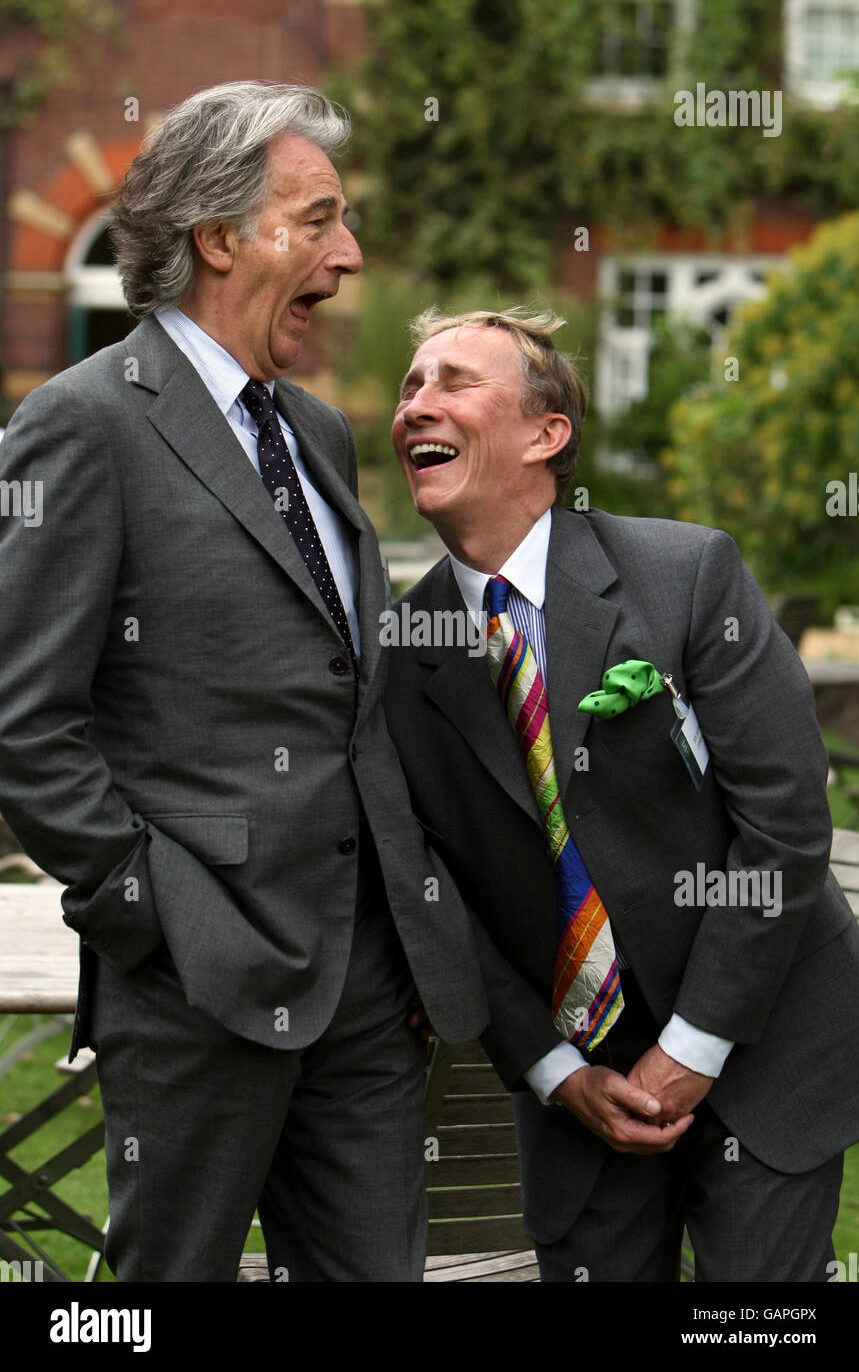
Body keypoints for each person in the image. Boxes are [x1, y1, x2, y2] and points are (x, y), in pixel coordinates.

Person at [0, 82, 486, 1283]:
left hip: (368, 985)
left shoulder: (314, 430)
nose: (350, 254)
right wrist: (146, 909)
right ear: (220, 238)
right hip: (196, 982)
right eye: (316, 219)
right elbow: (23, 719)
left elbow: (338, 683)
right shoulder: (82, 424)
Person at [383, 306, 859, 1282]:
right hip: (579, 1091)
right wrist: (558, 1073)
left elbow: (781, 827)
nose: (415, 406)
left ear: (544, 432)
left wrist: (691, 1045)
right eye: (407, 385)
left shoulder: (684, 576)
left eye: (451, 381)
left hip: (763, 1037)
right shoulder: (397, 656)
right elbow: (431, 893)